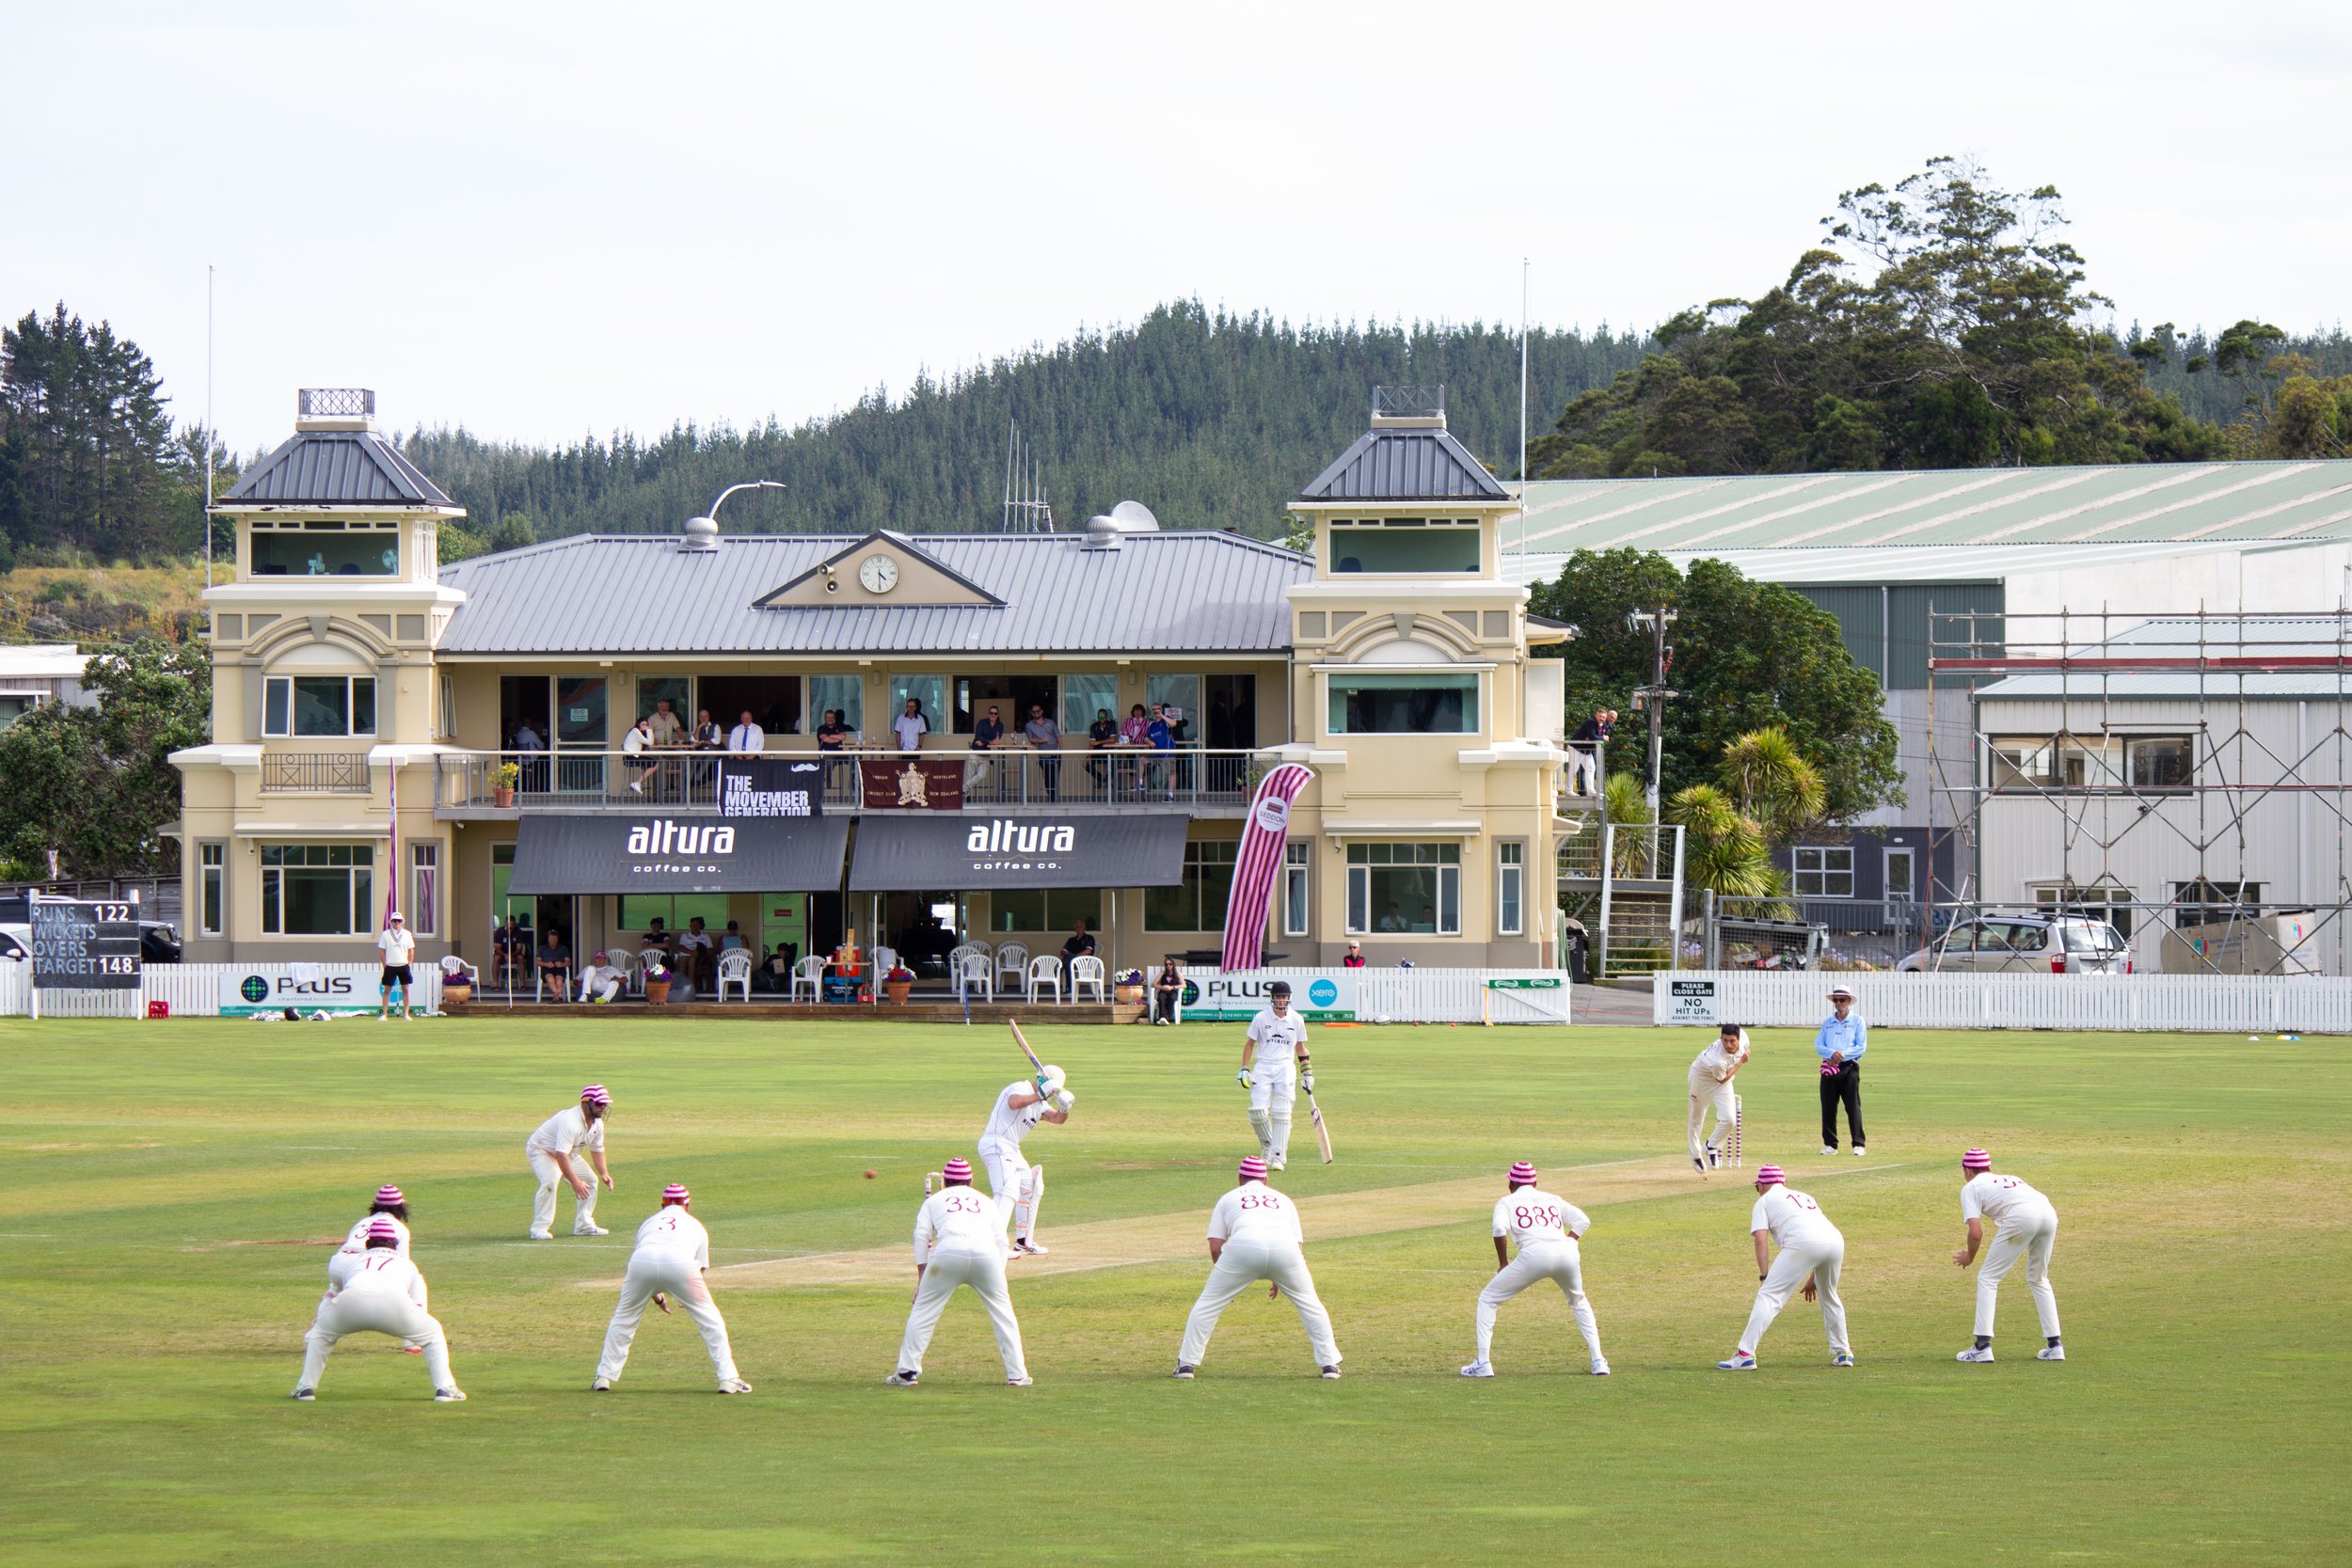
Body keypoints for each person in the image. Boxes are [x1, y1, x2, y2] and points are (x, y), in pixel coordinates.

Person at [1173, 1156, 1341, 1380]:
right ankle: (1330, 1365)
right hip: (1285, 1250)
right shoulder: (1284, 1200)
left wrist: (1224, 1282)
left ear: (1239, 1179)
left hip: (1243, 1247)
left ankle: (1186, 1365)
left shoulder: (1228, 1198)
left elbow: (1215, 1246)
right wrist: (1279, 1275)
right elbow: (1297, 1245)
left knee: (1207, 1304)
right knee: (1311, 1304)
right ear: (1266, 1179)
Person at [594, 1183, 751, 1393]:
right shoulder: (696, 1225)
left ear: (663, 1205)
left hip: (641, 1262)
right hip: (681, 1264)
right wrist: (689, 1297)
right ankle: (728, 1379)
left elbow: (651, 1266)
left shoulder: (649, 1222)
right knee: (711, 1320)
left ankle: (603, 1377)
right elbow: (700, 1269)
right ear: (688, 1205)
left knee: (623, 1319)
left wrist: (658, 1296)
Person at [889, 1158, 1032, 1387]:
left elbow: (921, 1237)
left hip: (948, 1253)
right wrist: (998, 1274)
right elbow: (1002, 1242)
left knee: (923, 1312)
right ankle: (1017, 1374)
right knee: (1004, 1315)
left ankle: (906, 1372)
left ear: (945, 1181)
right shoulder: (986, 1201)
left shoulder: (933, 1201)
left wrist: (921, 1277)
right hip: (986, 1255)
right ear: (971, 1181)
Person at [1460, 1162, 1608, 1378]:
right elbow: (1583, 1220)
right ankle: (1599, 1361)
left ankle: (1483, 1363)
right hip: (1567, 1253)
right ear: (1535, 1183)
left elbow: (1499, 1228)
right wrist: (1570, 1240)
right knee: (1578, 1302)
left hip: (1534, 1255)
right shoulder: (1553, 1199)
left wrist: (1503, 1263)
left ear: (1511, 1184)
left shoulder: (1506, 1201)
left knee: (1488, 1299)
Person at [292, 1217, 463, 1402]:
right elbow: (419, 1302)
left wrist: (324, 1322)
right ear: (395, 1244)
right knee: (433, 1333)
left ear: (367, 1243)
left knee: (320, 1335)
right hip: (393, 1303)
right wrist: (412, 1337)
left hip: (352, 1302)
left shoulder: (353, 1262)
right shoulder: (407, 1264)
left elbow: (340, 1291)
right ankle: (445, 1389)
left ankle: (305, 1388)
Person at [1717, 1164, 1851, 1370]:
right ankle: (1844, 1353)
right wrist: (1815, 1275)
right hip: (1835, 1242)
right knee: (1830, 1295)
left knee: (1769, 1296)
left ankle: (1745, 1355)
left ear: (1762, 1185)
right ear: (1783, 1183)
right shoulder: (1804, 1196)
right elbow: (1818, 1236)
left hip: (1802, 1244)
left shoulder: (1764, 1201)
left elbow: (1760, 1239)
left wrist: (1764, 1276)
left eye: (1757, 1186)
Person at [1952, 1148, 2064, 1363]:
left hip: (2023, 1216)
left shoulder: (1971, 1187)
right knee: (2039, 1279)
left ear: (1967, 1171)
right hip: (2048, 1213)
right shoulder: (2011, 1178)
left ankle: (1982, 1347)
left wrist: (1969, 1257)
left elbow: (1975, 1233)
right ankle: (2055, 1346)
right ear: (1988, 1167)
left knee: (1987, 1278)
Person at [977, 1066, 1072, 1257]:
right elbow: (1014, 1103)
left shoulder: (1040, 1104)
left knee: (1030, 1185)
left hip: (1012, 1148)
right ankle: (993, 1244)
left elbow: (1057, 1119)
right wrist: (1039, 1095)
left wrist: (1064, 1108)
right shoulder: (1020, 1087)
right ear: (1043, 1080)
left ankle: (1023, 1242)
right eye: (1052, 1090)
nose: (1052, 1094)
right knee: (1005, 1192)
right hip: (996, 1143)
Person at [1238, 980, 1311, 1171]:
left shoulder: (1296, 1019)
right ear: (1272, 998)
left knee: (1282, 1111)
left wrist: (1307, 1073)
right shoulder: (1261, 1018)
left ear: (1289, 998)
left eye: (1284, 997)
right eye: (1278, 997)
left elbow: (1301, 1047)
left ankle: (1278, 1157)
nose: (1281, 1000)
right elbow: (1249, 1044)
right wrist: (1244, 1068)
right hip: (1263, 1067)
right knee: (1257, 1112)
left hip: (1285, 1067)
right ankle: (1268, 1145)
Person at [526, 1085, 614, 1239]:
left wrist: (604, 1173)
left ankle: (583, 1226)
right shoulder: (570, 1122)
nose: (603, 1107)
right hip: (542, 1150)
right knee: (550, 1182)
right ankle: (539, 1228)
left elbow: (597, 1149)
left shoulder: (597, 1124)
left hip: (568, 1154)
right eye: (599, 1103)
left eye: (605, 1104)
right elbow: (561, 1155)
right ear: (586, 1103)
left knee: (591, 1181)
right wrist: (575, 1182)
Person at [326, 1183, 412, 1301]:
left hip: (336, 1265)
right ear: (400, 1208)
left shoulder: (362, 1222)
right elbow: (402, 1264)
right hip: (359, 1268)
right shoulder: (400, 1227)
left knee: (335, 1300)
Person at [1689, 1022, 1750, 1174]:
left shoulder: (1744, 1037)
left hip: (1722, 1082)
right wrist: (1740, 1063)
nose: (1728, 1045)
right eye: (1725, 1041)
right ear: (1720, 1039)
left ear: (1738, 1039)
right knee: (1697, 1119)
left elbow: (1746, 1049)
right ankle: (1695, 1155)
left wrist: (1741, 1058)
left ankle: (1711, 1146)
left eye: (1732, 1041)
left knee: (1729, 1120)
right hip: (1700, 1080)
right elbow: (1721, 1079)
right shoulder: (1717, 1060)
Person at [1816, 984, 1867, 1156]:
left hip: (1849, 1067)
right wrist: (1832, 1054)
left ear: (1849, 1001)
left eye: (1842, 1000)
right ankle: (1830, 1144)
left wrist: (1841, 1055)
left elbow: (1861, 1047)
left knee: (1853, 1106)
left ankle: (1858, 1144)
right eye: (1836, 1000)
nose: (1838, 1003)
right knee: (1828, 1107)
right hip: (1829, 1066)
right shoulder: (1827, 1023)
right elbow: (1819, 1045)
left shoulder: (1857, 1021)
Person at [376, 911, 416, 1021]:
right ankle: (384, 1014)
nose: (397, 923)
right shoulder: (385, 934)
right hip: (390, 965)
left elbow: (411, 950)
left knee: (406, 989)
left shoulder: (407, 934)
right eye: (394, 921)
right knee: (387, 989)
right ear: (391, 922)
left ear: (401, 922)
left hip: (403, 965)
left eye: (399, 921)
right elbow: (382, 951)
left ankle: (406, 1014)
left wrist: (409, 963)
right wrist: (385, 965)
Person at [1568, 707, 1615, 797]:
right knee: (1573, 769)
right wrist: (1602, 737)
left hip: (1587, 751)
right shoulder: (1591, 722)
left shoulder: (1604, 725)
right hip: (1576, 748)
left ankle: (1590, 791)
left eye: (1603, 717)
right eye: (1600, 716)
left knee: (1591, 768)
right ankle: (1569, 790)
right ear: (1596, 715)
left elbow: (1596, 737)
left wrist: (1596, 737)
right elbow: (1594, 736)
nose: (1602, 719)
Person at [1023, 702, 1061, 800]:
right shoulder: (1029, 725)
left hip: (1055, 753)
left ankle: (1055, 797)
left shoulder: (1051, 722)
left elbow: (1058, 736)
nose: (1036, 713)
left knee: (1055, 777)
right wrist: (1041, 741)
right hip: (1044, 755)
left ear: (1042, 711)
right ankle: (1052, 798)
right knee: (1048, 777)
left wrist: (1061, 750)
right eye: (1034, 712)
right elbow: (1031, 740)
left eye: (1038, 711)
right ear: (1032, 713)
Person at [969, 703, 1007, 797]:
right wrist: (989, 742)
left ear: (998, 715)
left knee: (981, 775)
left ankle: (963, 789)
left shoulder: (1000, 725)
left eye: (995, 713)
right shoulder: (982, 722)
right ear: (988, 713)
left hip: (985, 753)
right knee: (969, 775)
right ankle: (967, 795)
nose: (993, 715)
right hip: (975, 752)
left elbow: (996, 740)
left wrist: (984, 742)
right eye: (991, 713)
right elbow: (978, 736)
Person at [675, 917, 716, 991]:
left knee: (693, 959)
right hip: (684, 955)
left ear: (700, 926)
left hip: (698, 957)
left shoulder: (705, 936)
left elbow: (711, 949)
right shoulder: (685, 935)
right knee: (684, 961)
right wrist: (692, 952)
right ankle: (680, 987)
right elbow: (681, 947)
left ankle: (691, 987)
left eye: (696, 925)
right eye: (692, 925)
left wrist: (702, 953)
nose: (694, 927)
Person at [622, 713, 658, 795]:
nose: (645, 726)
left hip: (633, 756)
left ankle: (639, 782)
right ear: (639, 725)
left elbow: (650, 742)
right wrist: (649, 730)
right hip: (632, 756)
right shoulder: (635, 731)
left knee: (653, 764)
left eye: (646, 725)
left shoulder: (638, 732)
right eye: (643, 724)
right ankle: (638, 782)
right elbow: (650, 742)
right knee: (655, 764)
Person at [1086, 706, 1118, 792]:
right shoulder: (1094, 726)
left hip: (1109, 751)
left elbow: (1113, 740)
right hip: (1097, 752)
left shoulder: (1112, 724)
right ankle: (1100, 778)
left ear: (1106, 717)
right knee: (1086, 764)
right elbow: (1092, 743)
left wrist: (1098, 742)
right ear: (1097, 717)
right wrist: (1088, 756)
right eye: (1100, 716)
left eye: (1103, 716)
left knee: (1116, 763)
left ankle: (1107, 779)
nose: (1101, 718)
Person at [536, 928, 572, 1000]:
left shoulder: (563, 948)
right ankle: (558, 994)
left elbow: (568, 962)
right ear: (548, 939)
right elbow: (537, 962)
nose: (553, 940)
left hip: (559, 968)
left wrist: (561, 964)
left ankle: (556, 995)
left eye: (555, 939)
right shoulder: (542, 948)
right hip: (547, 968)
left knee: (559, 979)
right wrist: (546, 964)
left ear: (557, 939)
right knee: (550, 978)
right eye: (551, 938)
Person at [1153, 958, 1184, 1025]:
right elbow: (1153, 984)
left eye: (1170, 964)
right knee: (1161, 997)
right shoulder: (1162, 973)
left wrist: (1172, 987)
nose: (1168, 966)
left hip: (1173, 991)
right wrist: (1162, 987)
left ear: (1173, 964)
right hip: (1163, 991)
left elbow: (1184, 985)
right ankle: (1162, 1018)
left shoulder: (1178, 974)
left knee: (1172, 998)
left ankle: (1165, 1018)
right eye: (1166, 964)